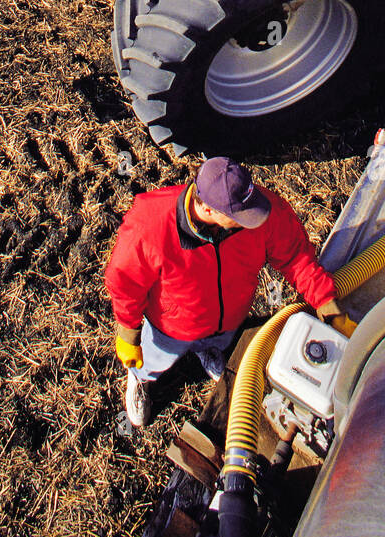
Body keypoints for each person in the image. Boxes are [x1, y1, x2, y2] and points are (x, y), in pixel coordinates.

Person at [104, 156, 344, 428]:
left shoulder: (254, 207)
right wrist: (128, 332)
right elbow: (124, 282)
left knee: (218, 342)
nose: (251, 220)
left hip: (229, 319)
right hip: (171, 327)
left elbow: (294, 256)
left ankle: (207, 350)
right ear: (207, 209)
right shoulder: (150, 226)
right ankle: (141, 378)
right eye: (240, 217)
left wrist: (324, 298)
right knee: (152, 360)